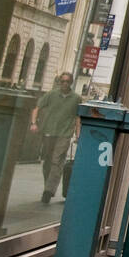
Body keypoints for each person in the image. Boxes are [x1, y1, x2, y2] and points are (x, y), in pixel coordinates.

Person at [30, 72, 79, 204]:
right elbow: (37, 108)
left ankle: (48, 191)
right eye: (62, 81)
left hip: (64, 134)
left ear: (71, 83)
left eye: (67, 81)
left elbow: (77, 118)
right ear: (59, 82)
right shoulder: (51, 94)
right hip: (48, 132)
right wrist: (34, 123)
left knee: (57, 160)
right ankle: (48, 185)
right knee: (47, 160)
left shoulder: (76, 98)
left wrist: (78, 135)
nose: (64, 84)